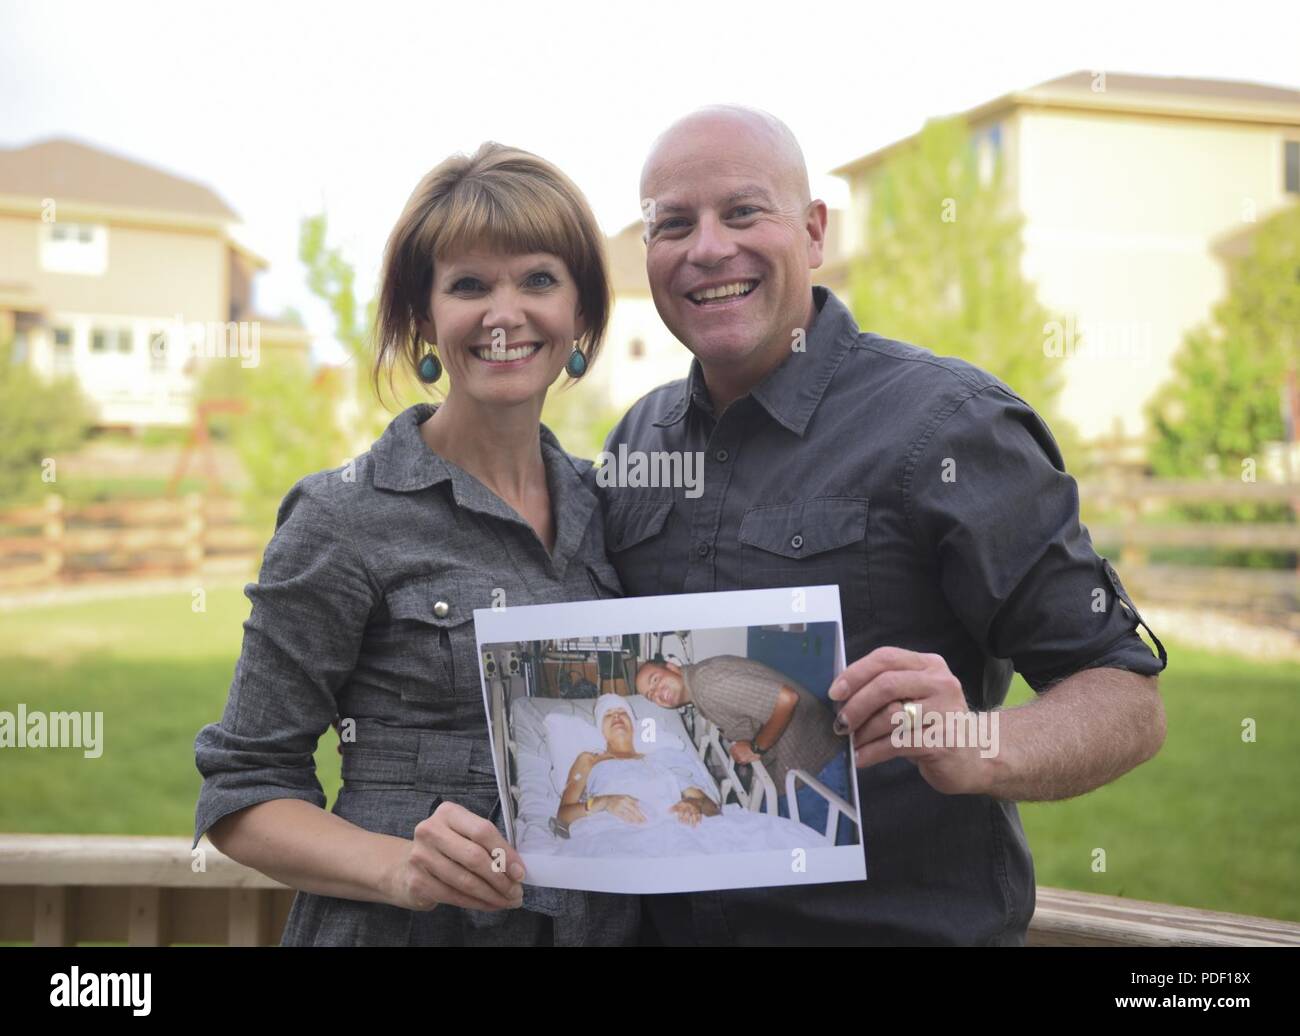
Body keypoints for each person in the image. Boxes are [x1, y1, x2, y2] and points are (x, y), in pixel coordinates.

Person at [600, 106, 1168, 946]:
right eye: (672, 224)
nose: (707, 247)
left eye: (744, 211)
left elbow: (1127, 698)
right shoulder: (636, 440)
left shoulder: (948, 426)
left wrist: (978, 741)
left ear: (815, 231)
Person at [193, 142, 638, 946]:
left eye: (539, 279)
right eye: (469, 285)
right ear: (423, 318)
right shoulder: (343, 517)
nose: (505, 314)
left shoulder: (611, 511)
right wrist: (399, 867)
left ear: (580, 314)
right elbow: (244, 790)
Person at [634, 656, 850, 838]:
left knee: (820, 848)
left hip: (813, 761)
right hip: (786, 764)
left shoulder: (707, 684)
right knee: (774, 833)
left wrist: (755, 748)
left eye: (656, 680)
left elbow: (787, 699)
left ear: (672, 668)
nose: (657, 694)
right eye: (650, 696)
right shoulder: (699, 688)